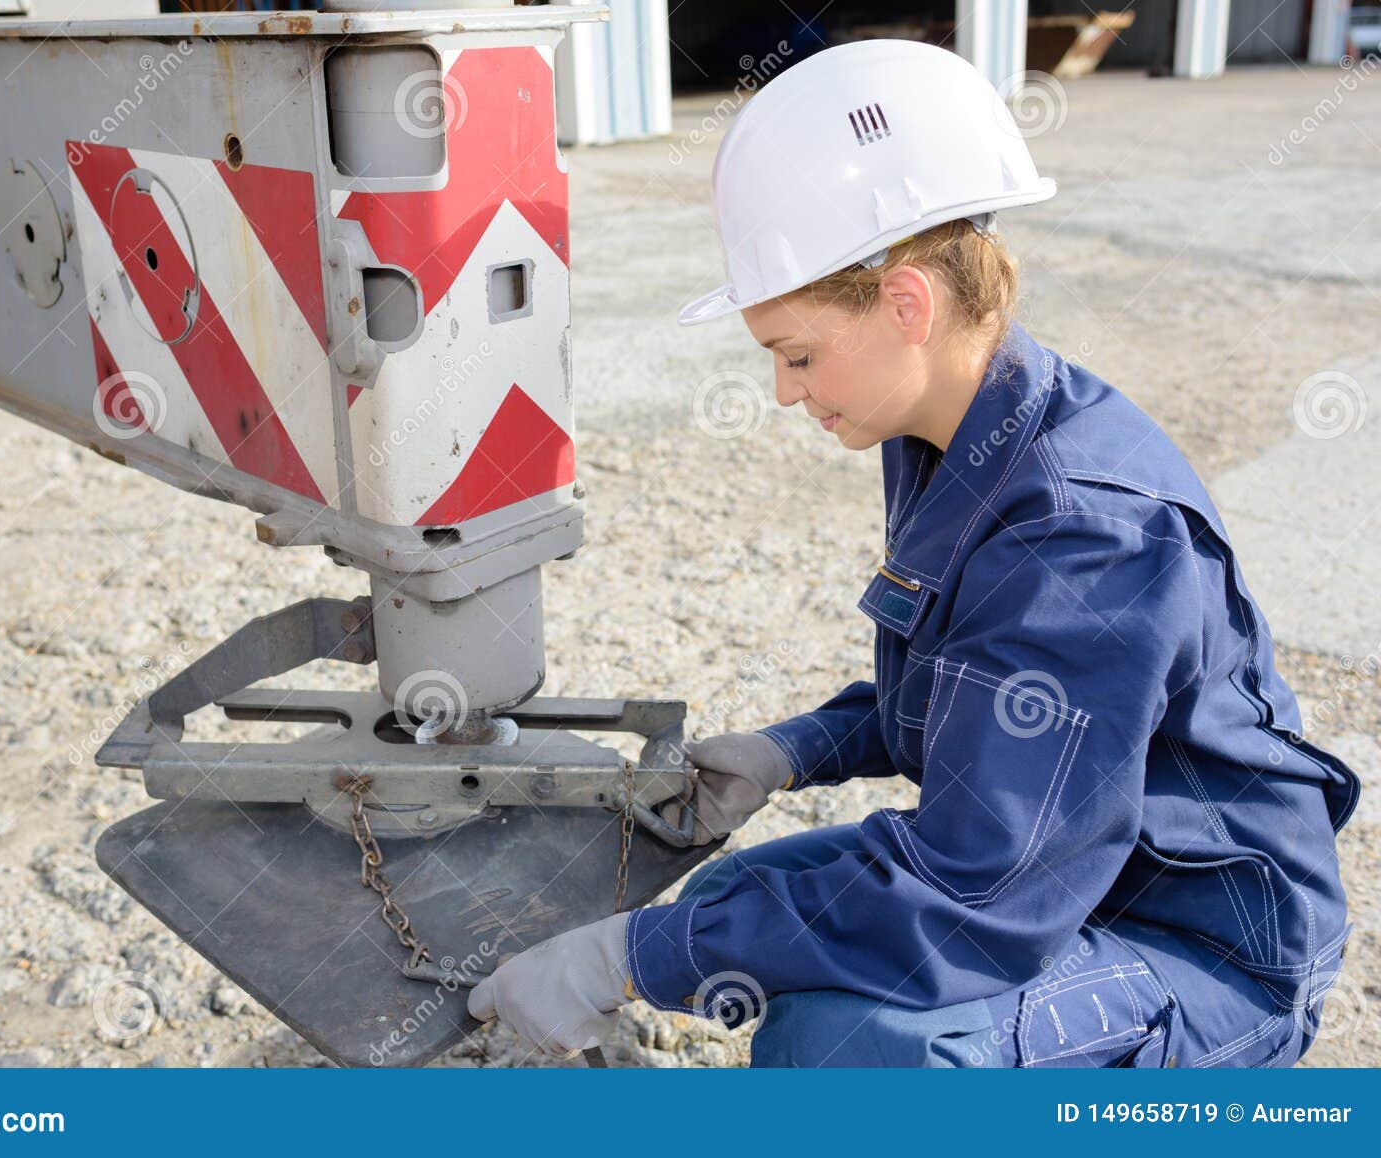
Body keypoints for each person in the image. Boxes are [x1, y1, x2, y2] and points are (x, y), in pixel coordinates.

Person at [466, 39, 1360, 1068]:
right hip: (1079, 870)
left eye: (797, 355)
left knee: (846, 1045)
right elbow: (978, 692)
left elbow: (980, 898)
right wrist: (793, 751)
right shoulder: (954, 433)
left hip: (1201, 945)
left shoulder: (1083, 537)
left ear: (906, 304)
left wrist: (623, 958)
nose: (784, 393)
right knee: (733, 898)